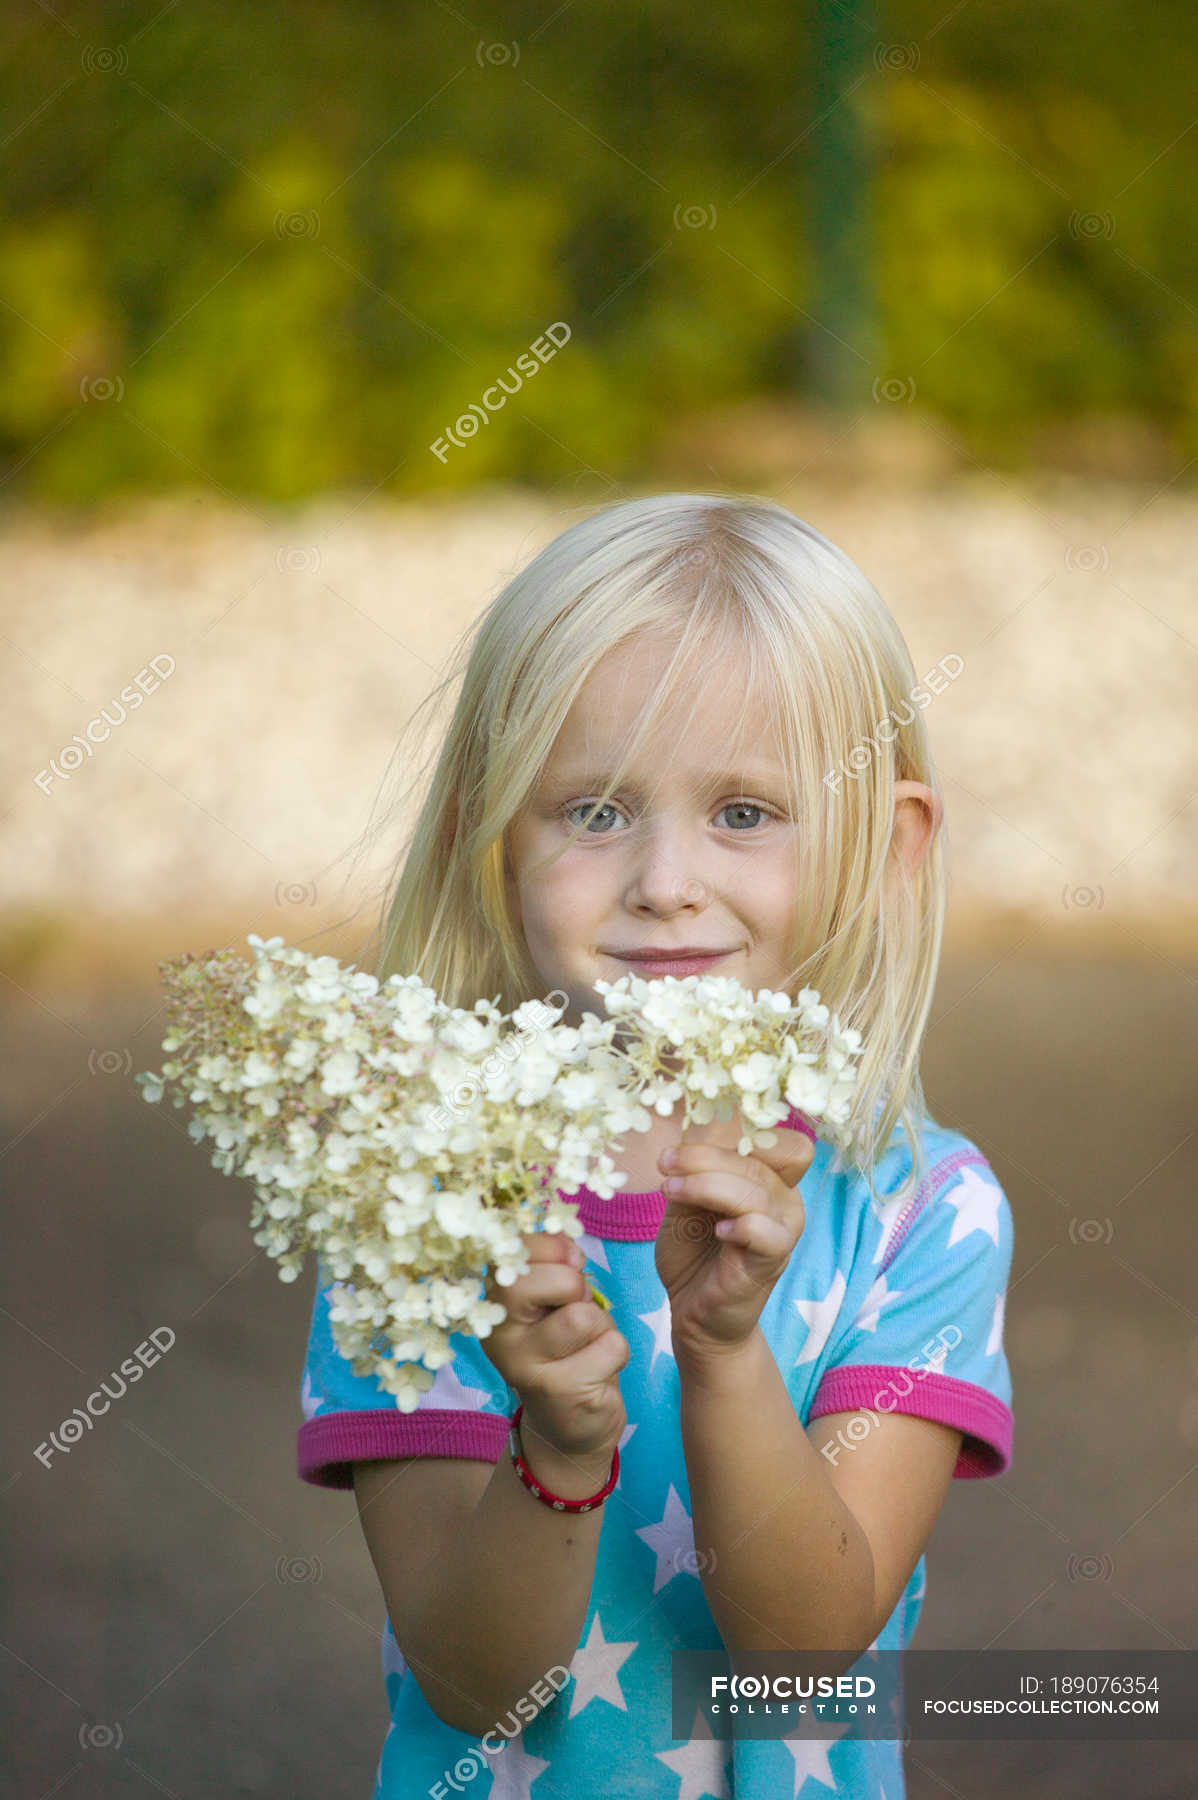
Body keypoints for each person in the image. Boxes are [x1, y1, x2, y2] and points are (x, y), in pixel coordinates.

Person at [297, 492, 1015, 1798]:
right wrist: (557, 1451)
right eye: (594, 810)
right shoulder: (423, 1205)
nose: (665, 879)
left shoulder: (922, 1211)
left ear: (886, 846)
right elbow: (472, 1682)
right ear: (484, 832)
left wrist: (726, 1353)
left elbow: (801, 1659)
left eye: (744, 812)